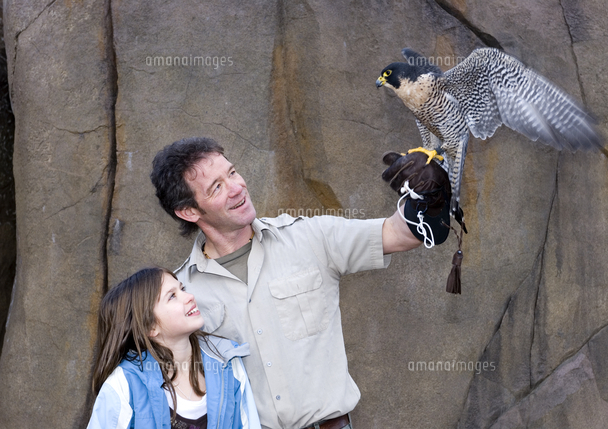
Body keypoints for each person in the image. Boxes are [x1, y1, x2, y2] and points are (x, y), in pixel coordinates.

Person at [150, 137, 450, 429]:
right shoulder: (181, 296)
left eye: (232, 173)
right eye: (217, 187)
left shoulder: (309, 237)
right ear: (189, 211)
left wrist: (428, 198)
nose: (237, 187)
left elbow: (401, 234)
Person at [87, 267, 261, 429]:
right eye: (172, 296)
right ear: (150, 327)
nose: (189, 296)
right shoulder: (123, 384)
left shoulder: (226, 360)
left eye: (182, 289)